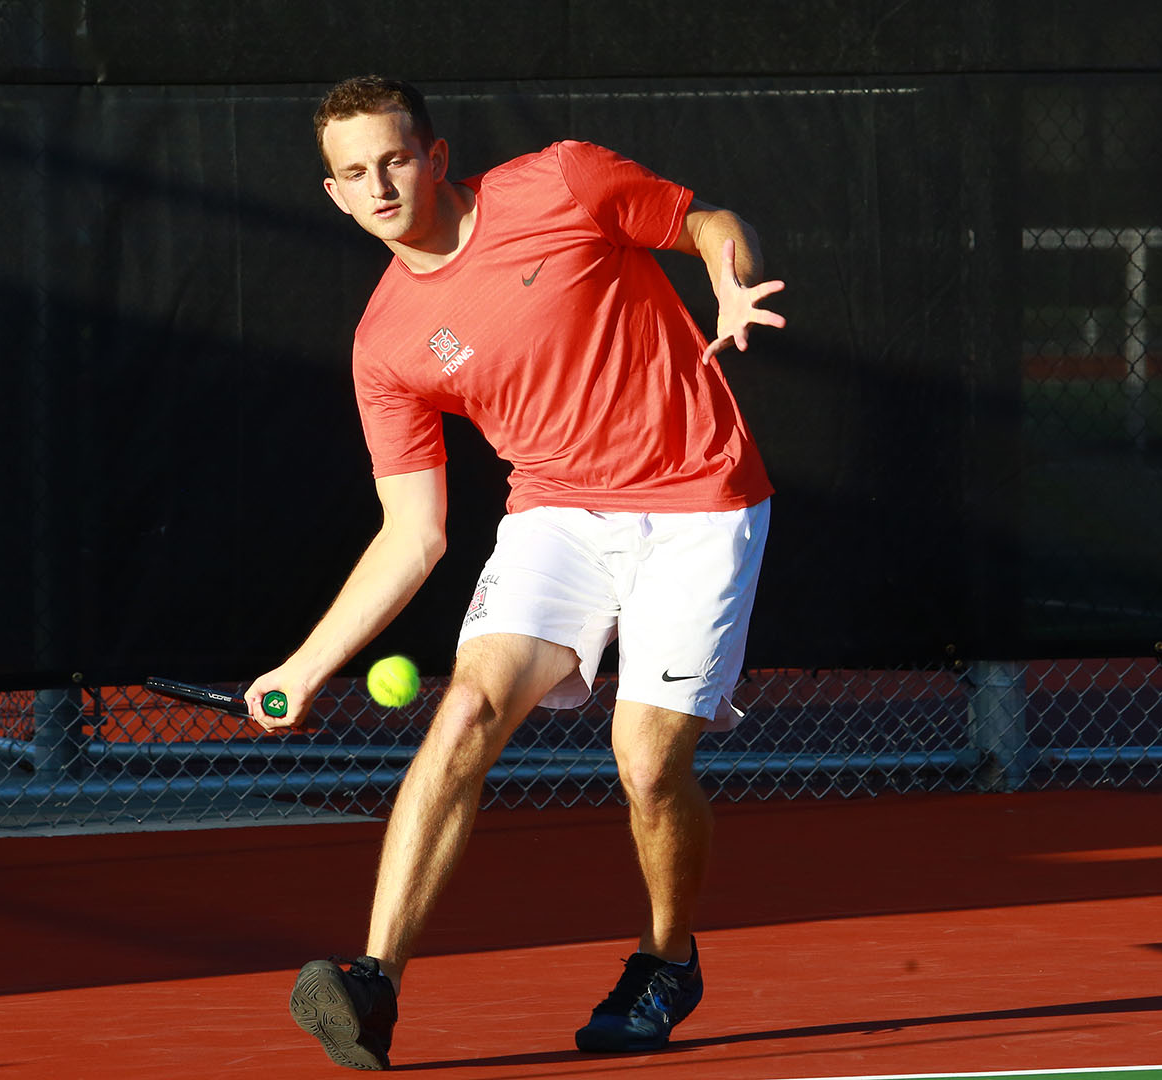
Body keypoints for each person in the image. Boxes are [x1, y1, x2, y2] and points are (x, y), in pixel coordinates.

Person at [252, 75, 785, 1071]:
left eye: (395, 160)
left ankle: (667, 960)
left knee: (646, 764)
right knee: (465, 711)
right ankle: (374, 984)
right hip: (556, 514)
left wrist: (728, 277)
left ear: (437, 156)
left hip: (701, 503)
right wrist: (304, 666)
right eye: (354, 174)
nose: (379, 187)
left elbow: (709, 221)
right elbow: (413, 533)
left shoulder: (561, 182)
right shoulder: (385, 345)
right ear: (334, 195)